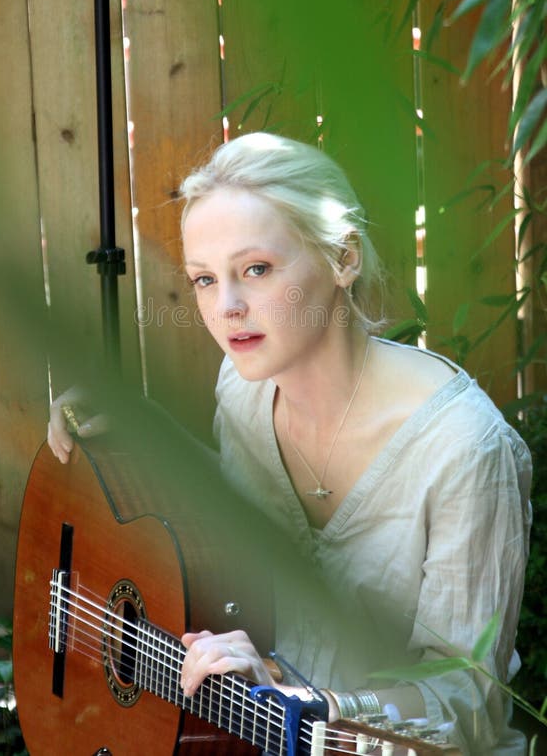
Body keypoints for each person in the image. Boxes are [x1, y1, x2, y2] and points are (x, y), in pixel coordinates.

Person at [48, 132, 532, 754]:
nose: (226, 307)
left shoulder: (466, 449)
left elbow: (466, 701)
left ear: (343, 259)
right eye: (203, 279)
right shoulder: (245, 389)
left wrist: (299, 704)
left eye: (256, 269)